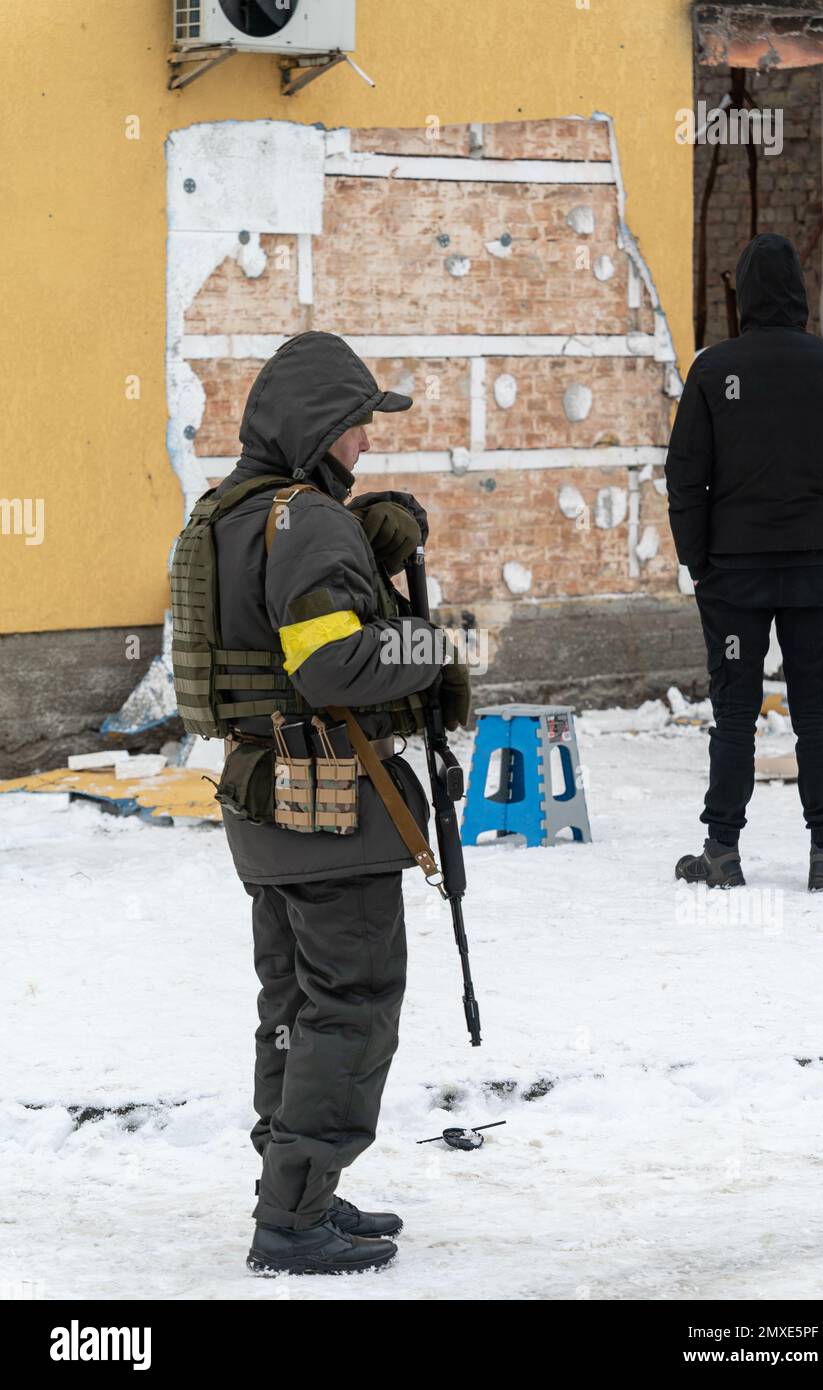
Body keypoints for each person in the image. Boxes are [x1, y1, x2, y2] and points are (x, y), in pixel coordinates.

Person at [211, 331, 471, 1273]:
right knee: (349, 1010)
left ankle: (295, 1187)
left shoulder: (232, 512)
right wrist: (441, 645)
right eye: (358, 423)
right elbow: (328, 663)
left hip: (263, 804)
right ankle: (292, 1220)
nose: (367, 440)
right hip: (331, 814)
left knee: (293, 1005)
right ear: (319, 425)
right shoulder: (307, 520)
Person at [665, 233, 823, 891]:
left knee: (734, 709)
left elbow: (685, 476)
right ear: (800, 294)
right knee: (817, 710)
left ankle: (722, 851)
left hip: (733, 574)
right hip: (814, 568)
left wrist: (699, 561)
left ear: (746, 294)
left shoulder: (712, 368)